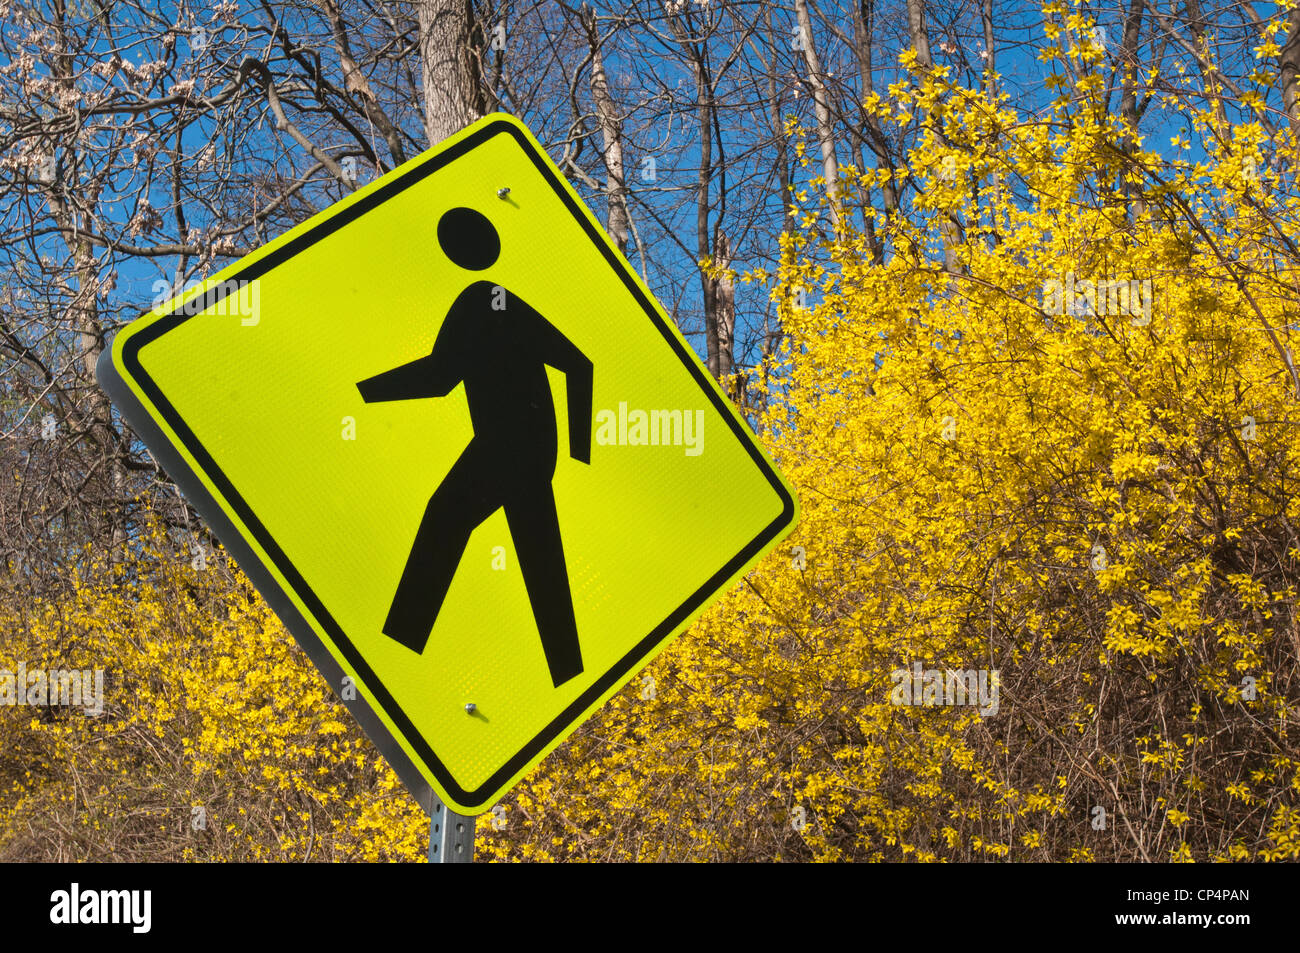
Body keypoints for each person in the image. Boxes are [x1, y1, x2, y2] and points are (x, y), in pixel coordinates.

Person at [357, 206, 593, 688]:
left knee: (445, 516)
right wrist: (569, 454)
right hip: (529, 449)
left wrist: (362, 392)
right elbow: (444, 376)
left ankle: (399, 650)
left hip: (507, 445)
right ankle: (568, 670)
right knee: (539, 554)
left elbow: (438, 377)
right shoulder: (492, 299)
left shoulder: (484, 299)